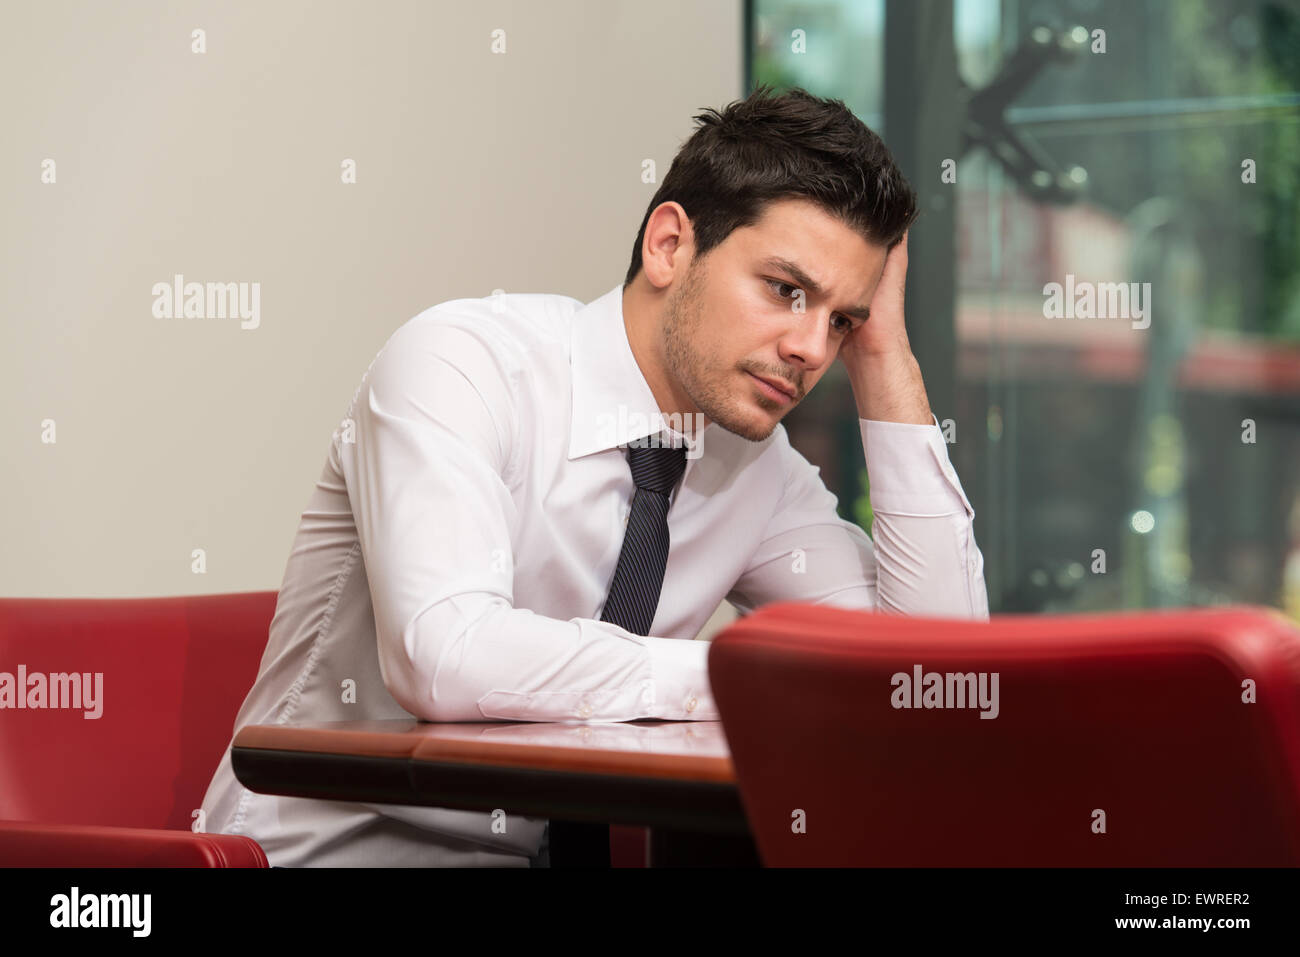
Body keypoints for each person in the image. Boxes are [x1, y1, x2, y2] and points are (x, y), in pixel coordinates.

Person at [200, 84, 989, 867]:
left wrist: (886, 359)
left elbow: (930, 681)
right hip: (323, 855)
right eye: (787, 291)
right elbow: (444, 658)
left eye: (841, 320)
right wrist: (746, 680)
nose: (813, 348)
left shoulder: (754, 466)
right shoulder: (463, 365)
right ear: (669, 246)